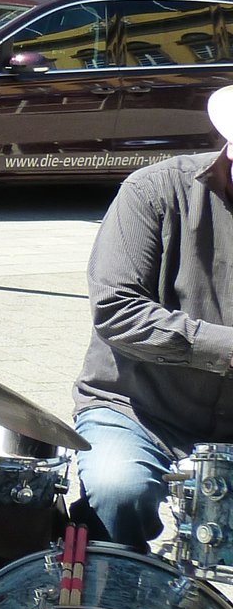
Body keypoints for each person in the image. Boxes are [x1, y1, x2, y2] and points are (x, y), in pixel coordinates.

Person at [71, 83, 233, 549]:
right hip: (138, 409)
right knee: (120, 491)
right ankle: (110, 607)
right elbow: (117, 311)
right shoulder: (154, 190)